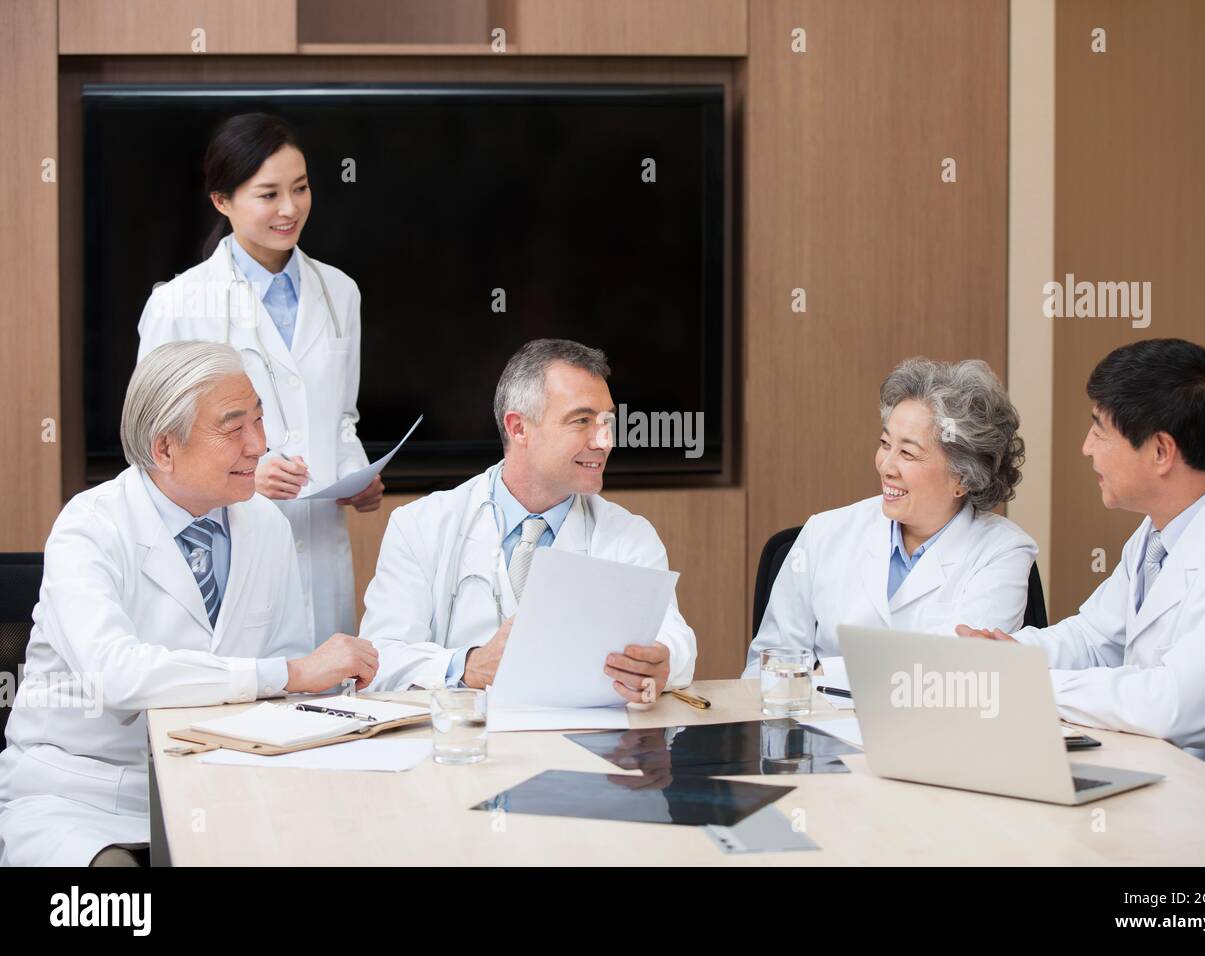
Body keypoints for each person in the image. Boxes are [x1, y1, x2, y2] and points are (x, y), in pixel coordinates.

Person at [0, 343, 378, 866]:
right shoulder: (89, 527)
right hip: (86, 796)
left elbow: (288, 681)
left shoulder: (264, 524)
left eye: (260, 420)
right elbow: (117, 674)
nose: (259, 446)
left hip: (224, 785)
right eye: (234, 427)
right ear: (164, 450)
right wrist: (288, 673)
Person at [959, 338, 1205, 811]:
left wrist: (1019, 681)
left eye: (1099, 431)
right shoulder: (1156, 533)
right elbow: (1095, 637)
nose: (1086, 448)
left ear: (1161, 451)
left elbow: (1174, 705)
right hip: (1160, 793)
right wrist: (998, 655)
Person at [137, 113, 380, 645]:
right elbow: (151, 447)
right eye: (268, 194)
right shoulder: (178, 302)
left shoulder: (341, 292)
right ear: (223, 201)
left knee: (327, 704)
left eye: (301, 188)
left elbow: (342, 416)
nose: (290, 209)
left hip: (320, 549)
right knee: (241, 702)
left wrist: (357, 474)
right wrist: (247, 472)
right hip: (228, 538)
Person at [360, 338, 696, 700]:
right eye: (581, 421)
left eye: (607, 422)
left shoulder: (629, 534)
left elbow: (673, 638)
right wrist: (469, 666)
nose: (605, 441)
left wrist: (663, 659)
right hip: (463, 746)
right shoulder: (419, 526)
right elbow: (379, 660)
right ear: (518, 428)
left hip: (584, 747)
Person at [745, 357, 1037, 675]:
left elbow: (959, 670)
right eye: (885, 444)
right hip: (819, 722)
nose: (886, 466)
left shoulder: (1003, 551)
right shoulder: (825, 532)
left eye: (908, 453)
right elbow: (766, 668)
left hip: (937, 725)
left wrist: (828, 674)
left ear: (963, 478)